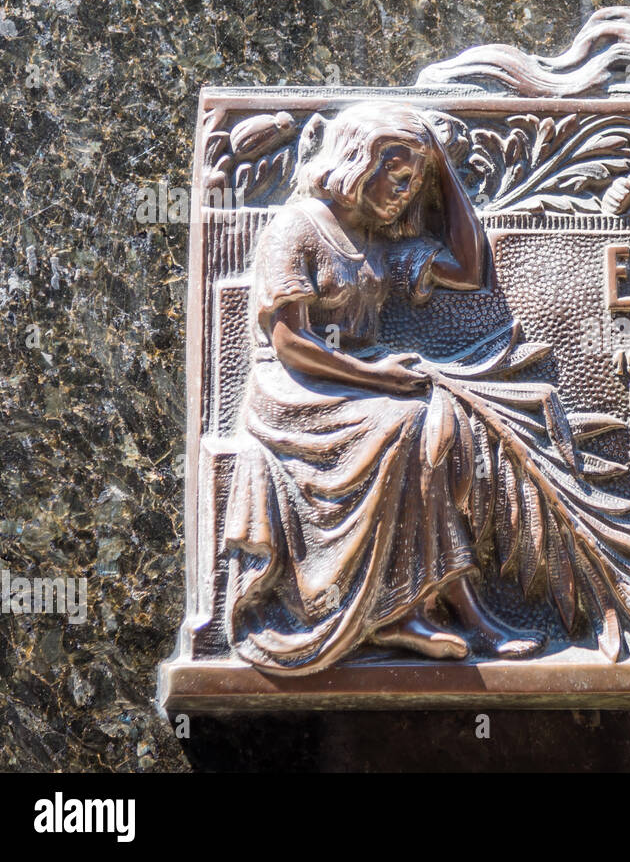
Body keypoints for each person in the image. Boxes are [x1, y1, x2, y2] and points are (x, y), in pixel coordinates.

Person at [222, 101, 542, 674]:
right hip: (294, 391)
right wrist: (377, 377)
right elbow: (291, 341)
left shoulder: (376, 242)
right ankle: (408, 612)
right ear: (356, 163)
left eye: (416, 184)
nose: (406, 193)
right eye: (398, 177)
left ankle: (445, 608)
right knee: (404, 422)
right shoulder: (295, 228)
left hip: (355, 383)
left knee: (442, 418)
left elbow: (471, 270)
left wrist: (443, 168)